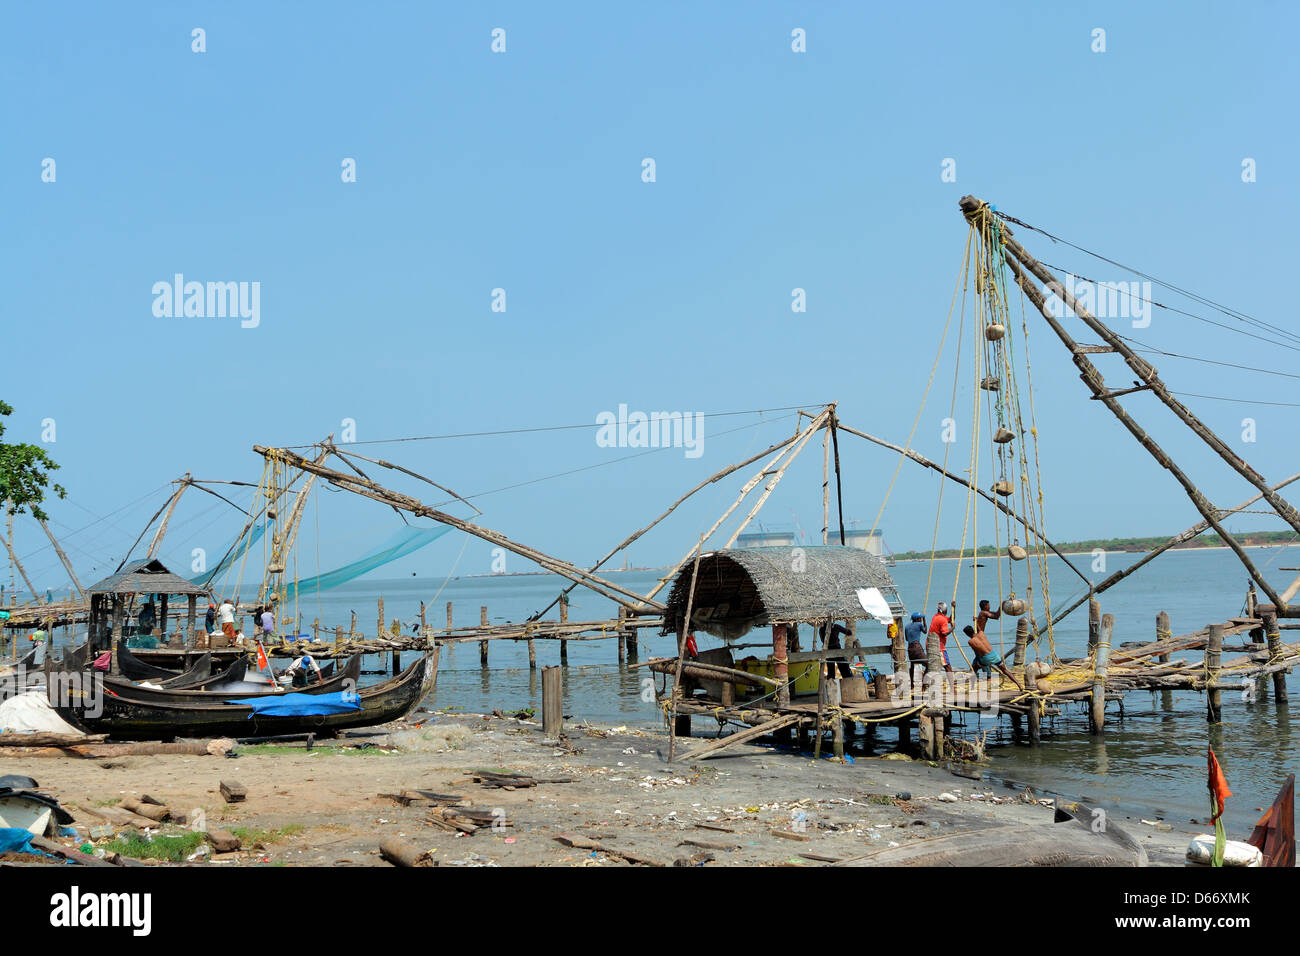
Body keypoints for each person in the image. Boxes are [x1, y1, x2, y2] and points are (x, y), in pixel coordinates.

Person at [963, 624, 1022, 690]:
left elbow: (976, 653)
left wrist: (979, 661)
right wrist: (976, 623)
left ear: (967, 634)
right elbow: (979, 629)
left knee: (975, 667)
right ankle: (1019, 685)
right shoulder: (981, 633)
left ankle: (974, 684)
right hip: (994, 655)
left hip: (986, 658)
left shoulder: (970, 641)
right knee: (1005, 670)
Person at [929, 601, 955, 673]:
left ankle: (924, 683)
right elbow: (944, 633)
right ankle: (951, 684)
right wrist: (952, 628)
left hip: (931, 645)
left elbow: (951, 619)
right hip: (939, 647)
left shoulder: (936, 616)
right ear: (945, 610)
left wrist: (953, 608)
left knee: (930, 665)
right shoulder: (942, 619)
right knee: (947, 666)